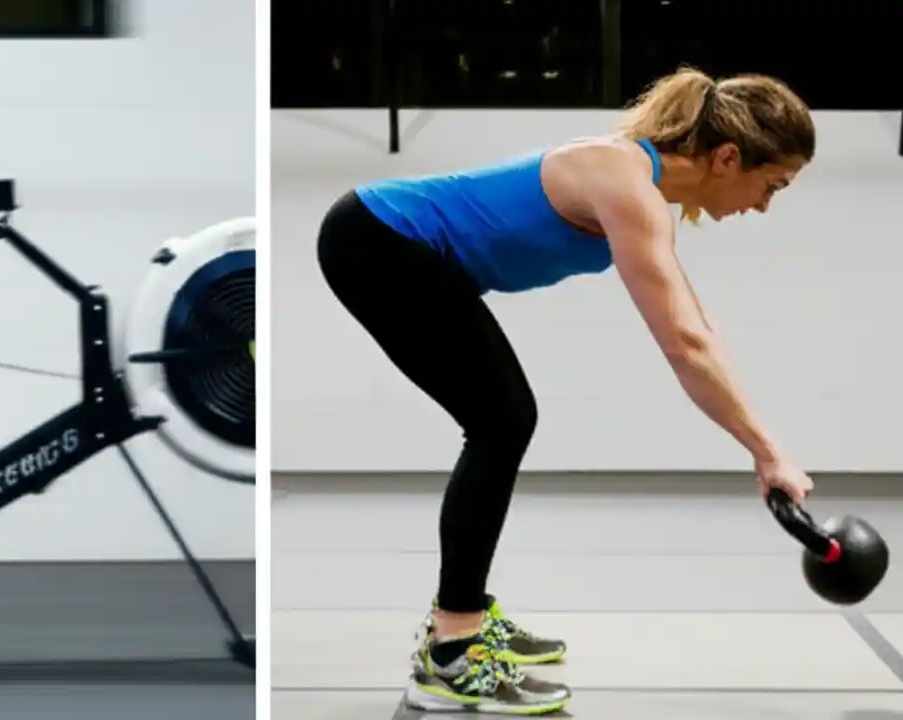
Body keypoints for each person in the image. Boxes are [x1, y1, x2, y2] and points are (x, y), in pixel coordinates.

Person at [315, 66, 816, 714]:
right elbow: (685, 347)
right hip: (380, 241)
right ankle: (451, 651)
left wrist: (765, 446)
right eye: (771, 185)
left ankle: (459, 620)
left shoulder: (641, 190)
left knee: (503, 419)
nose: (764, 205)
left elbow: (699, 331)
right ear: (727, 157)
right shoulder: (625, 184)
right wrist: (766, 452)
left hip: (393, 245)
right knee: (502, 420)